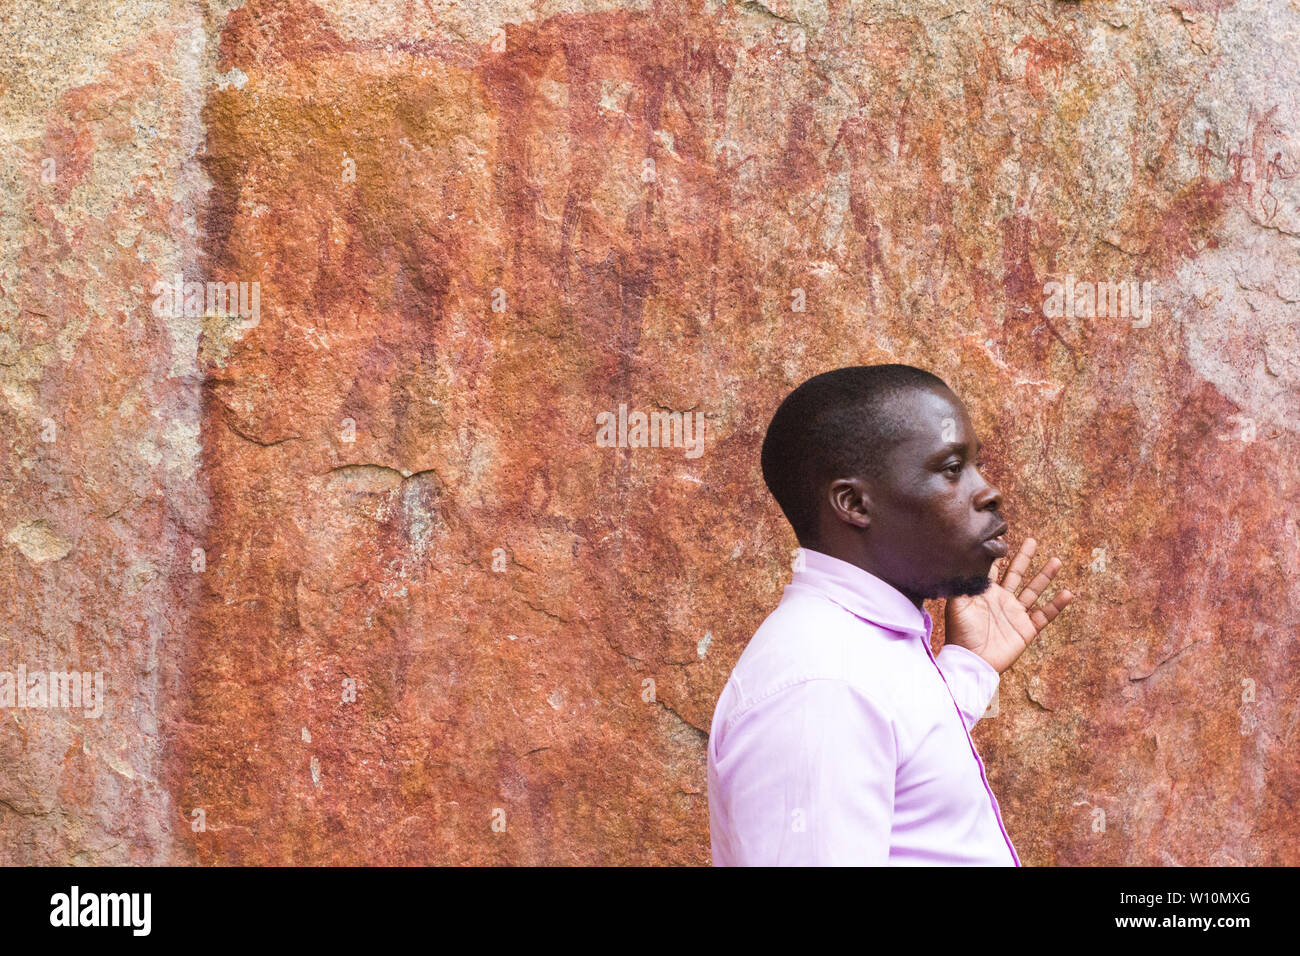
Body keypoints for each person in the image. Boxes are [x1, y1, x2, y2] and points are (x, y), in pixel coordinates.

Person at [708, 364, 1075, 865]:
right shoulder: (824, 684)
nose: (988, 491)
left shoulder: (859, 652)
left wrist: (968, 670)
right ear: (854, 503)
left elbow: (903, 780)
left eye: (975, 465)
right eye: (951, 468)